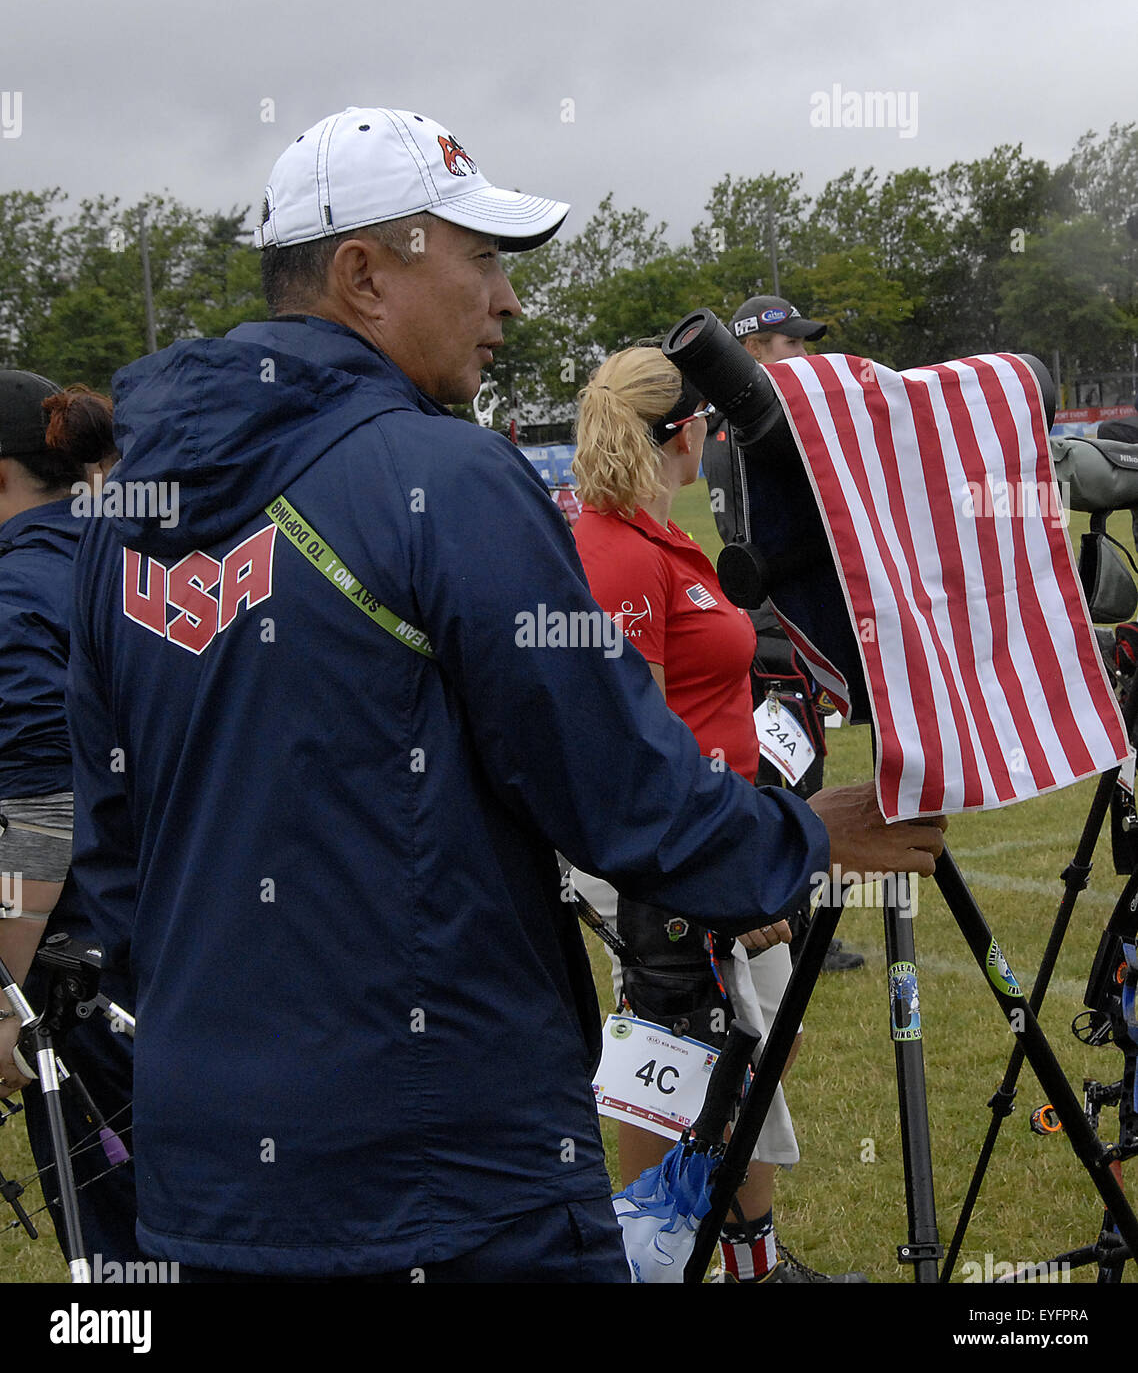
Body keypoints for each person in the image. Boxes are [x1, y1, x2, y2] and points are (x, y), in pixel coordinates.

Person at [66, 106, 945, 1281]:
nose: (510, 300)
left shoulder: (120, 516)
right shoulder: (447, 475)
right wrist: (799, 834)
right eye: (479, 259)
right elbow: (620, 787)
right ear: (362, 274)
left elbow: (106, 859)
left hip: (205, 1178)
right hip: (452, 1179)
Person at [571, 345, 864, 1282]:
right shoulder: (616, 548)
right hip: (681, 857)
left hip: (719, 831)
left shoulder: (656, 534)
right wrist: (723, 881)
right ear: (683, 427)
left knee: (742, 1053)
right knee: (682, 1061)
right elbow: (636, 743)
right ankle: (669, 1263)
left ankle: (738, 1262)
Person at [0, 375, 138, 1264]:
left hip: (94, 976)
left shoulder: (16, 593)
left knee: (123, 1258)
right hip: (211, 949)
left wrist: (4, 993)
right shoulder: (133, 559)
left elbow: (40, 807)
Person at [708, 294, 866, 974]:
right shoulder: (754, 432)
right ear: (751, 351)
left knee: (791, 766)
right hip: (777, 623)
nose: (804, 356)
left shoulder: (726, 429)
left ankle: (792, 922)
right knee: (794, 775)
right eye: (790, 346)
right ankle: (799, 931)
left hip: (767, 621)